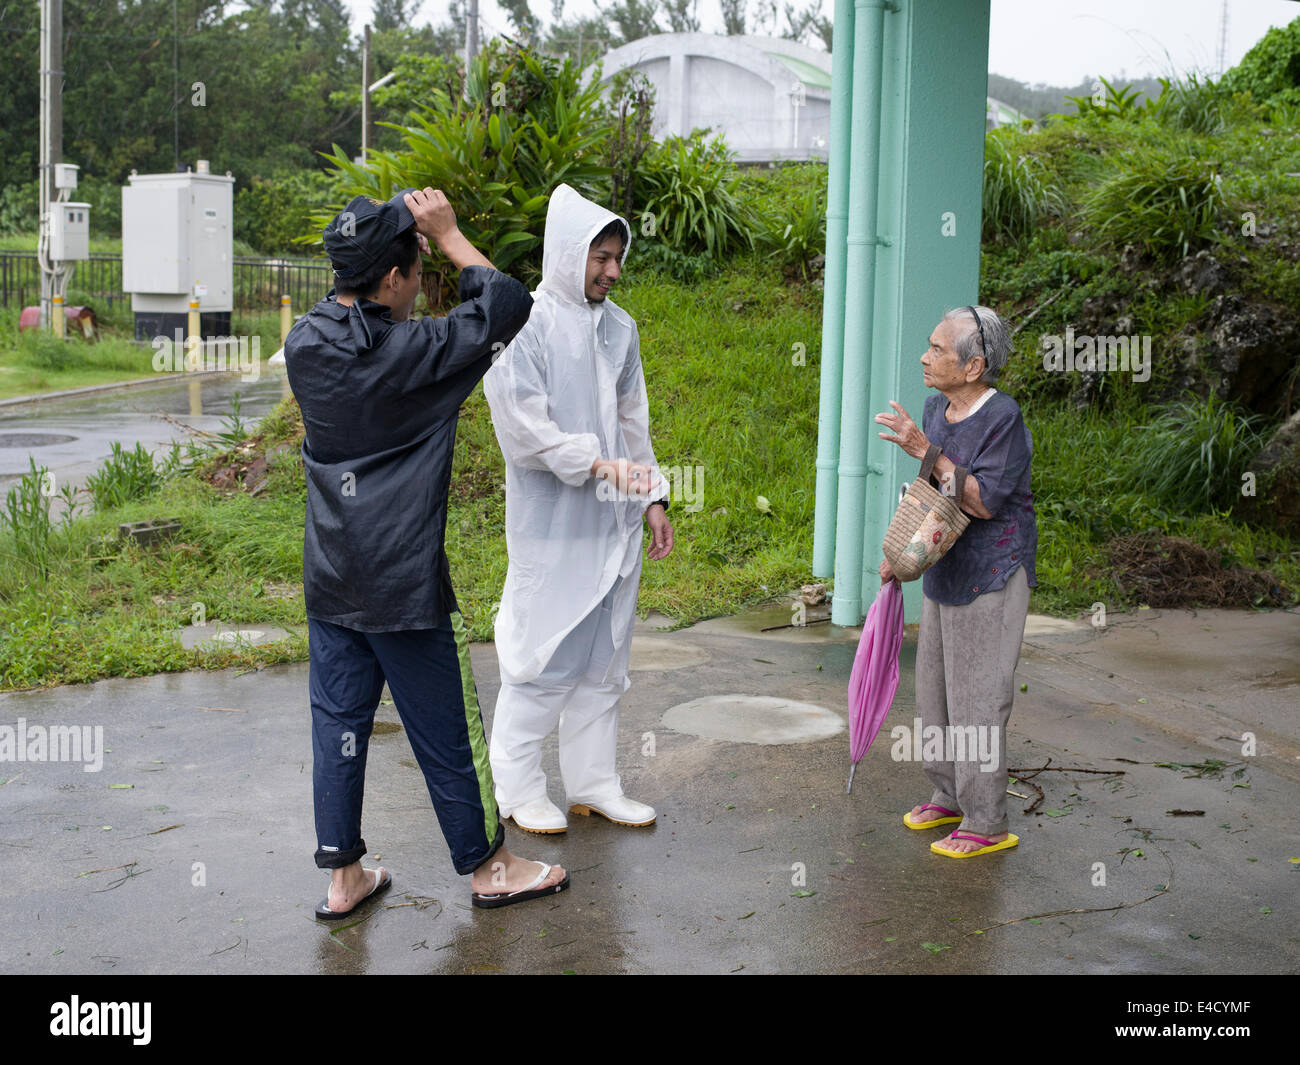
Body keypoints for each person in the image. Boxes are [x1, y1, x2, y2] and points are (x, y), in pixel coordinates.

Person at [284, 186, 568, 915]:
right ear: (391, 281)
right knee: (447, 727)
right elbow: (506, 303)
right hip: (404, 584)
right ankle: (491, 866)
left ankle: (343, 875)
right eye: (413, 273)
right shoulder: (416, 353)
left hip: (332, 575)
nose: (418, 288)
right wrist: (446, 231)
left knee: (338, 728)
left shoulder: (304, 345)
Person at [482, 183, 674, 834]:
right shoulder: (523, 324)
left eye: (619, 257)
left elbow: (633, 418)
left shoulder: (621, 328)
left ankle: (593, 783)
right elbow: (521, 427)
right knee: (544, 653)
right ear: (568, 253)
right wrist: (594, 463)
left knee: (603, 657)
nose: (613, 271)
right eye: (601, 257)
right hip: (553, 522)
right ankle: (516, 784)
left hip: (614, 519)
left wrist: (651, 496)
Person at [874, 305, 1037, 859]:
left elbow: (985, 501)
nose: (925, 356)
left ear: (973, 367)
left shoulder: (1003, 417)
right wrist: (901, 555)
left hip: (993, 572)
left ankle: (987, 820)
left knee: (979, 701)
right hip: (945, 566)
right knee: (938, 694)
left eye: (938, 349)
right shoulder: (935, 408)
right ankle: (948, 792)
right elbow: (930, 496)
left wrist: (926, 449)